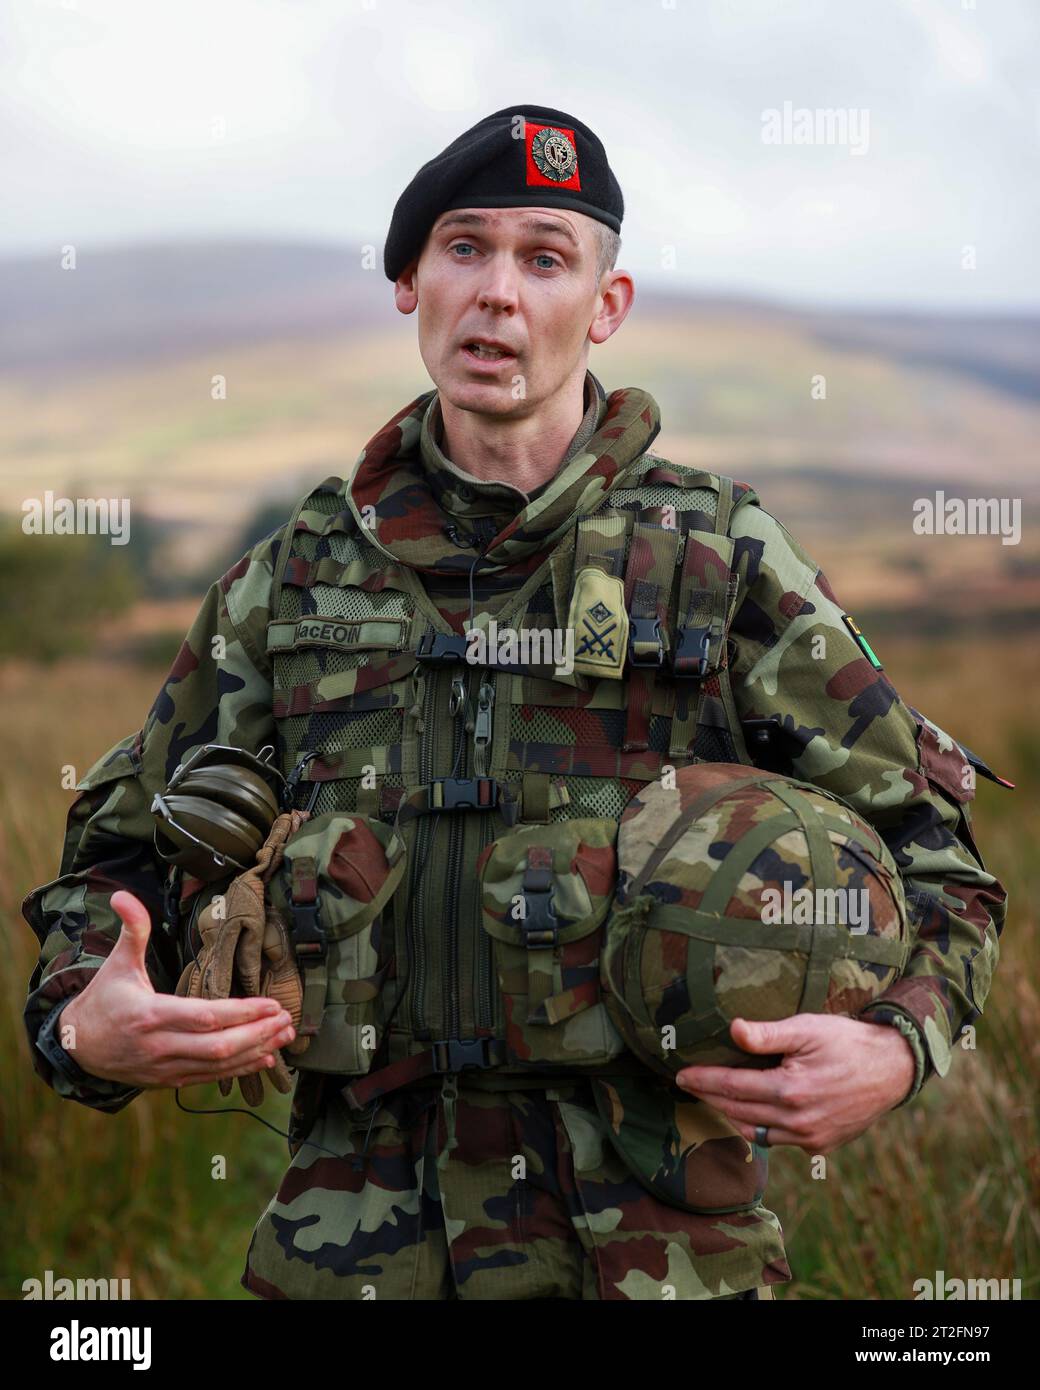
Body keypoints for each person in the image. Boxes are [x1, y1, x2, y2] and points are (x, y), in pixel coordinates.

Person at [22, 105, 1011, 1301]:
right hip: (347, 1256)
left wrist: (891, 1048)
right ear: (409, 284)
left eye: (544, 257)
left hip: (654, 1260)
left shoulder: (717, 560)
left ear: (605, 304)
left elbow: (936, 862)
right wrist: (86, 1025)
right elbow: (115, 862)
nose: (497, 293)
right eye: (463, 248)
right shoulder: (288, 582)